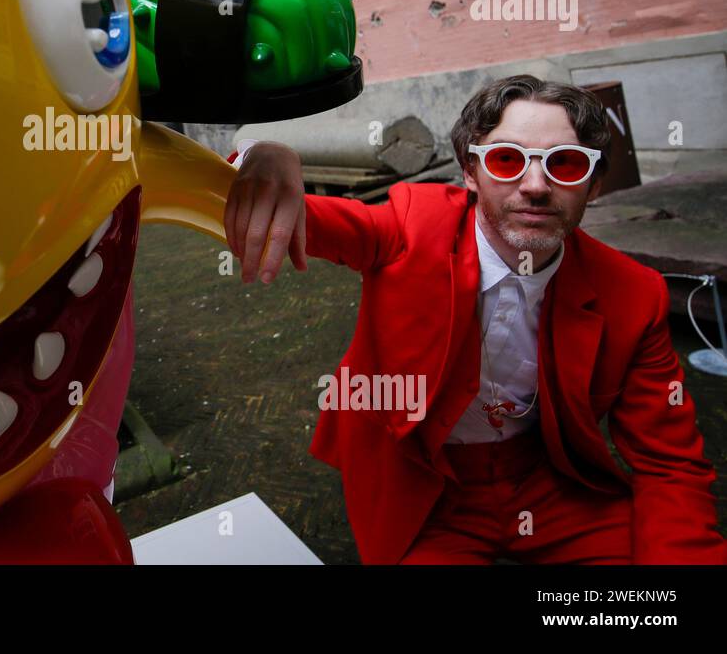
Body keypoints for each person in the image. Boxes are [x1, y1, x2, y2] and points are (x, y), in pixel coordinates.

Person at [224, 74, 726, 564]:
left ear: (593, 186)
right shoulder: (407, 226)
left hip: (549, 481)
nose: (535, 186)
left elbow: (670, 463)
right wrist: (259, 154)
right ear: (470, 173)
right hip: (425, 482)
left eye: (565, 165)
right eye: (507, 161)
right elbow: (271, 209)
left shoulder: (635, 294)